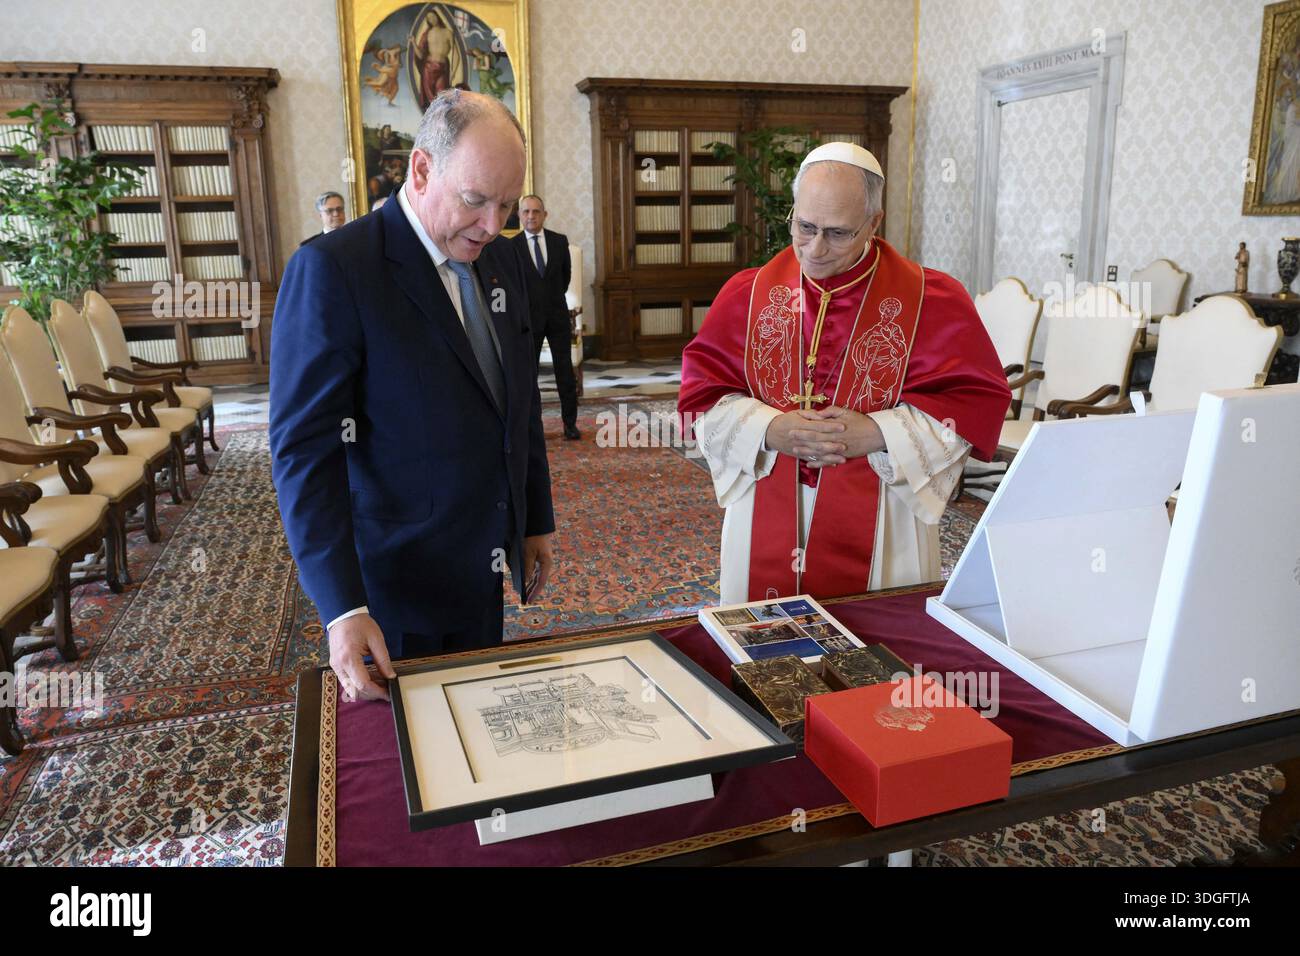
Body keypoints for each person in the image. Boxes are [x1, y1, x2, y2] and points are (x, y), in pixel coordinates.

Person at [270, 90, 556, 703]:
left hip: (483, 567)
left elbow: (519, 397)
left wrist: (533, 518)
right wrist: (343, 608)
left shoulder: (501, 259)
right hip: (391, 591)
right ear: (422, 170)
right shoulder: (336, 270)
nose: (493, 225)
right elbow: (304, 452)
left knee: (479, 730)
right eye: (476, 200)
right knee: (405, 764)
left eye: (507, 205)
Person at [678, 142, 1009, 604]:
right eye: (804, 226)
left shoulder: (933, 300)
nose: (814, 249)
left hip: (885, 511)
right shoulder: (746, 294)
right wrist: (769, 428)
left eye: (837, 233)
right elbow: (701, 399)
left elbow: (973, 403)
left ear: (873, 222)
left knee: (877, 654)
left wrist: (878, 432)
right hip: (766, 499)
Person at [512, 195, 580, 439]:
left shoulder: (559, 242)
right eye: (526, 212)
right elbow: (513, 285)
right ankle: (533, 427)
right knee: (530, 376)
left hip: (557, 316)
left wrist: (549, 301)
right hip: (528, 321)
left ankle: (570, 424)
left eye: (536, 211)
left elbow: (565, 277)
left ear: (544, 214)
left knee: (565, 373)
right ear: (519, 215)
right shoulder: (512, 246)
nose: (531, 216)